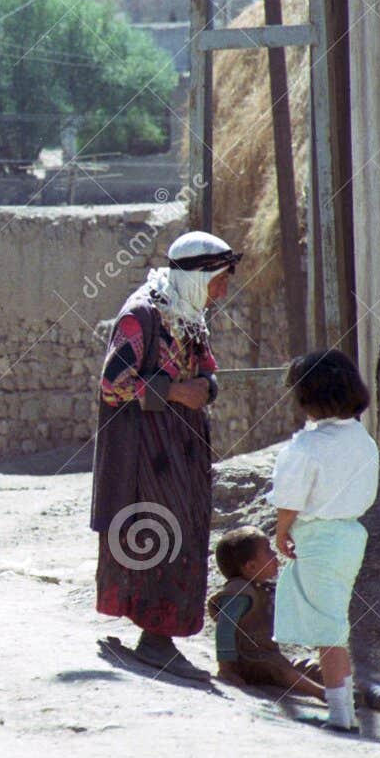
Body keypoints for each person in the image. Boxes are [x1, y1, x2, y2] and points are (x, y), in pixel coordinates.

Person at [91, 230, 240, 680]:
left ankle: (161, 634)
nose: (223, 291)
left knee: (189, 524)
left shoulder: (188, 312)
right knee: (161, 528)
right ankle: (155, 638)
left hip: (184, 444)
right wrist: (176, 391)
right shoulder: (141, 316)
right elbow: (112, 384)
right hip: (145, 451)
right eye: (219, 280)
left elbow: (207, 367)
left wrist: (205, 389)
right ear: (198, 276)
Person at [269, 349, 379, 733]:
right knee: (334, 623)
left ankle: (341, 715)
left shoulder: (307, 447)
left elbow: (289, 500)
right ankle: (343, 710)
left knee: (329, 631)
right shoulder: (363, 440)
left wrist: (281, 532)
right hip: (350, 537)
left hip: (318, 538)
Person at [210, 526, 380, 710]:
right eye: (268, 552)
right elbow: (224, 628)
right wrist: (227, 669)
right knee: (283, 670)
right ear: (251, 566)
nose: (275, 556)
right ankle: (326, 695)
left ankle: (368, 690)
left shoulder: (259, 588)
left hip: (268, 657)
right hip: (247, 661)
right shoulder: (239, 591)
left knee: (311, 667)